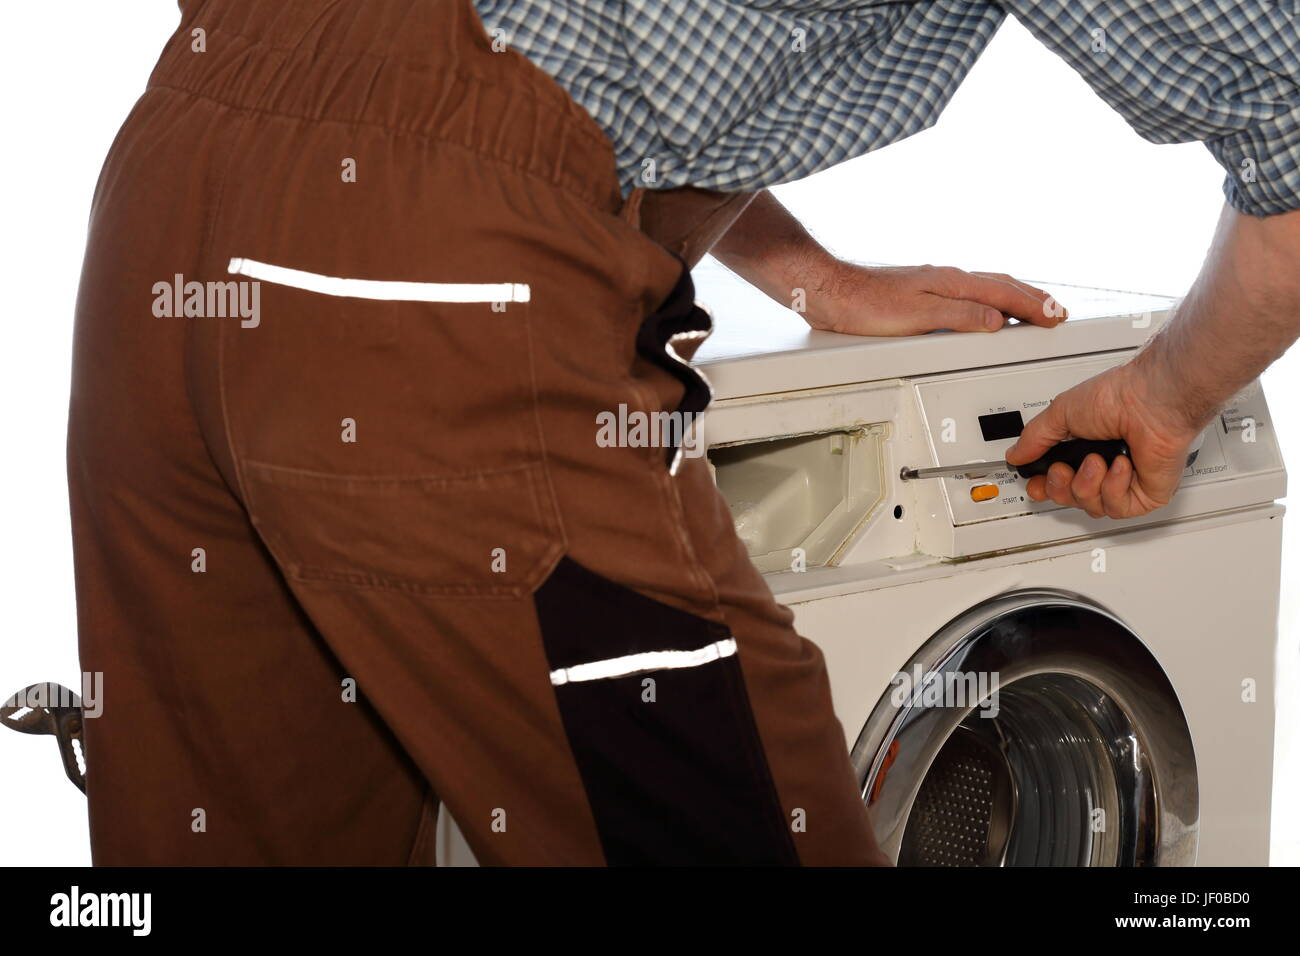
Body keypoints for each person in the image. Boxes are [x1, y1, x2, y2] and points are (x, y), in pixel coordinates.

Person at [67, 0, 1295, 866]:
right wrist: (1168, 396)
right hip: (436, 285)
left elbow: (549, 59)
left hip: (170, 194)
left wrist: (812, 278)